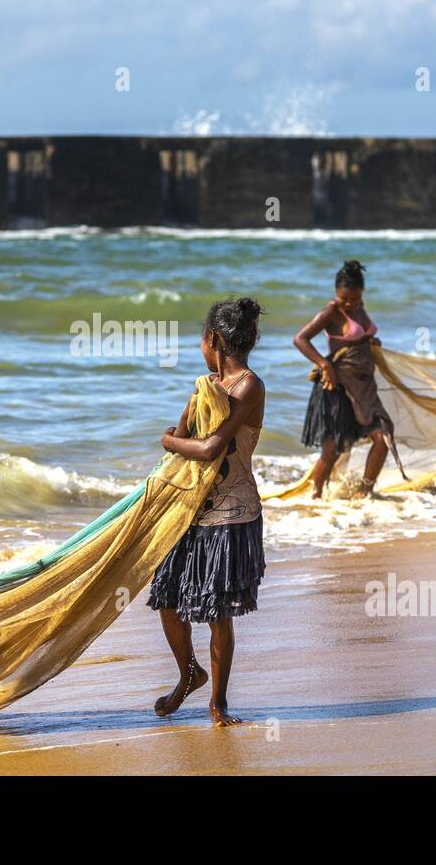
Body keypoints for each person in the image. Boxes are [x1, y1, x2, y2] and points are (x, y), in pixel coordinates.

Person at [149, 298, 267, 726]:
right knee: (167, 597)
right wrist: (186, 411)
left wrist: (166, 441)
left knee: (217, 611)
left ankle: (218, 703)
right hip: (192, 512)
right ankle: (189, 673)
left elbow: (211, 448)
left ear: (212, 339)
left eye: (201, 340)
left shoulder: (249, 386)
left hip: (233, 514)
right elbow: (188, 441)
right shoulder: (207, 388)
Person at [293, 261, 399, 498]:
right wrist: (324, 364)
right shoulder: (330, 312)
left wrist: (371, 342)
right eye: (344, 299)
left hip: (363, 388)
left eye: (355, 298)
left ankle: (365, 493)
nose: (349, 304)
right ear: (335, 293)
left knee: (383, 437)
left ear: (361, 294)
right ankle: (315, 497)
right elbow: (300, 339)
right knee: (330, 450)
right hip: (337, 389)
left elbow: (360, 337)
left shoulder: (360, 309)